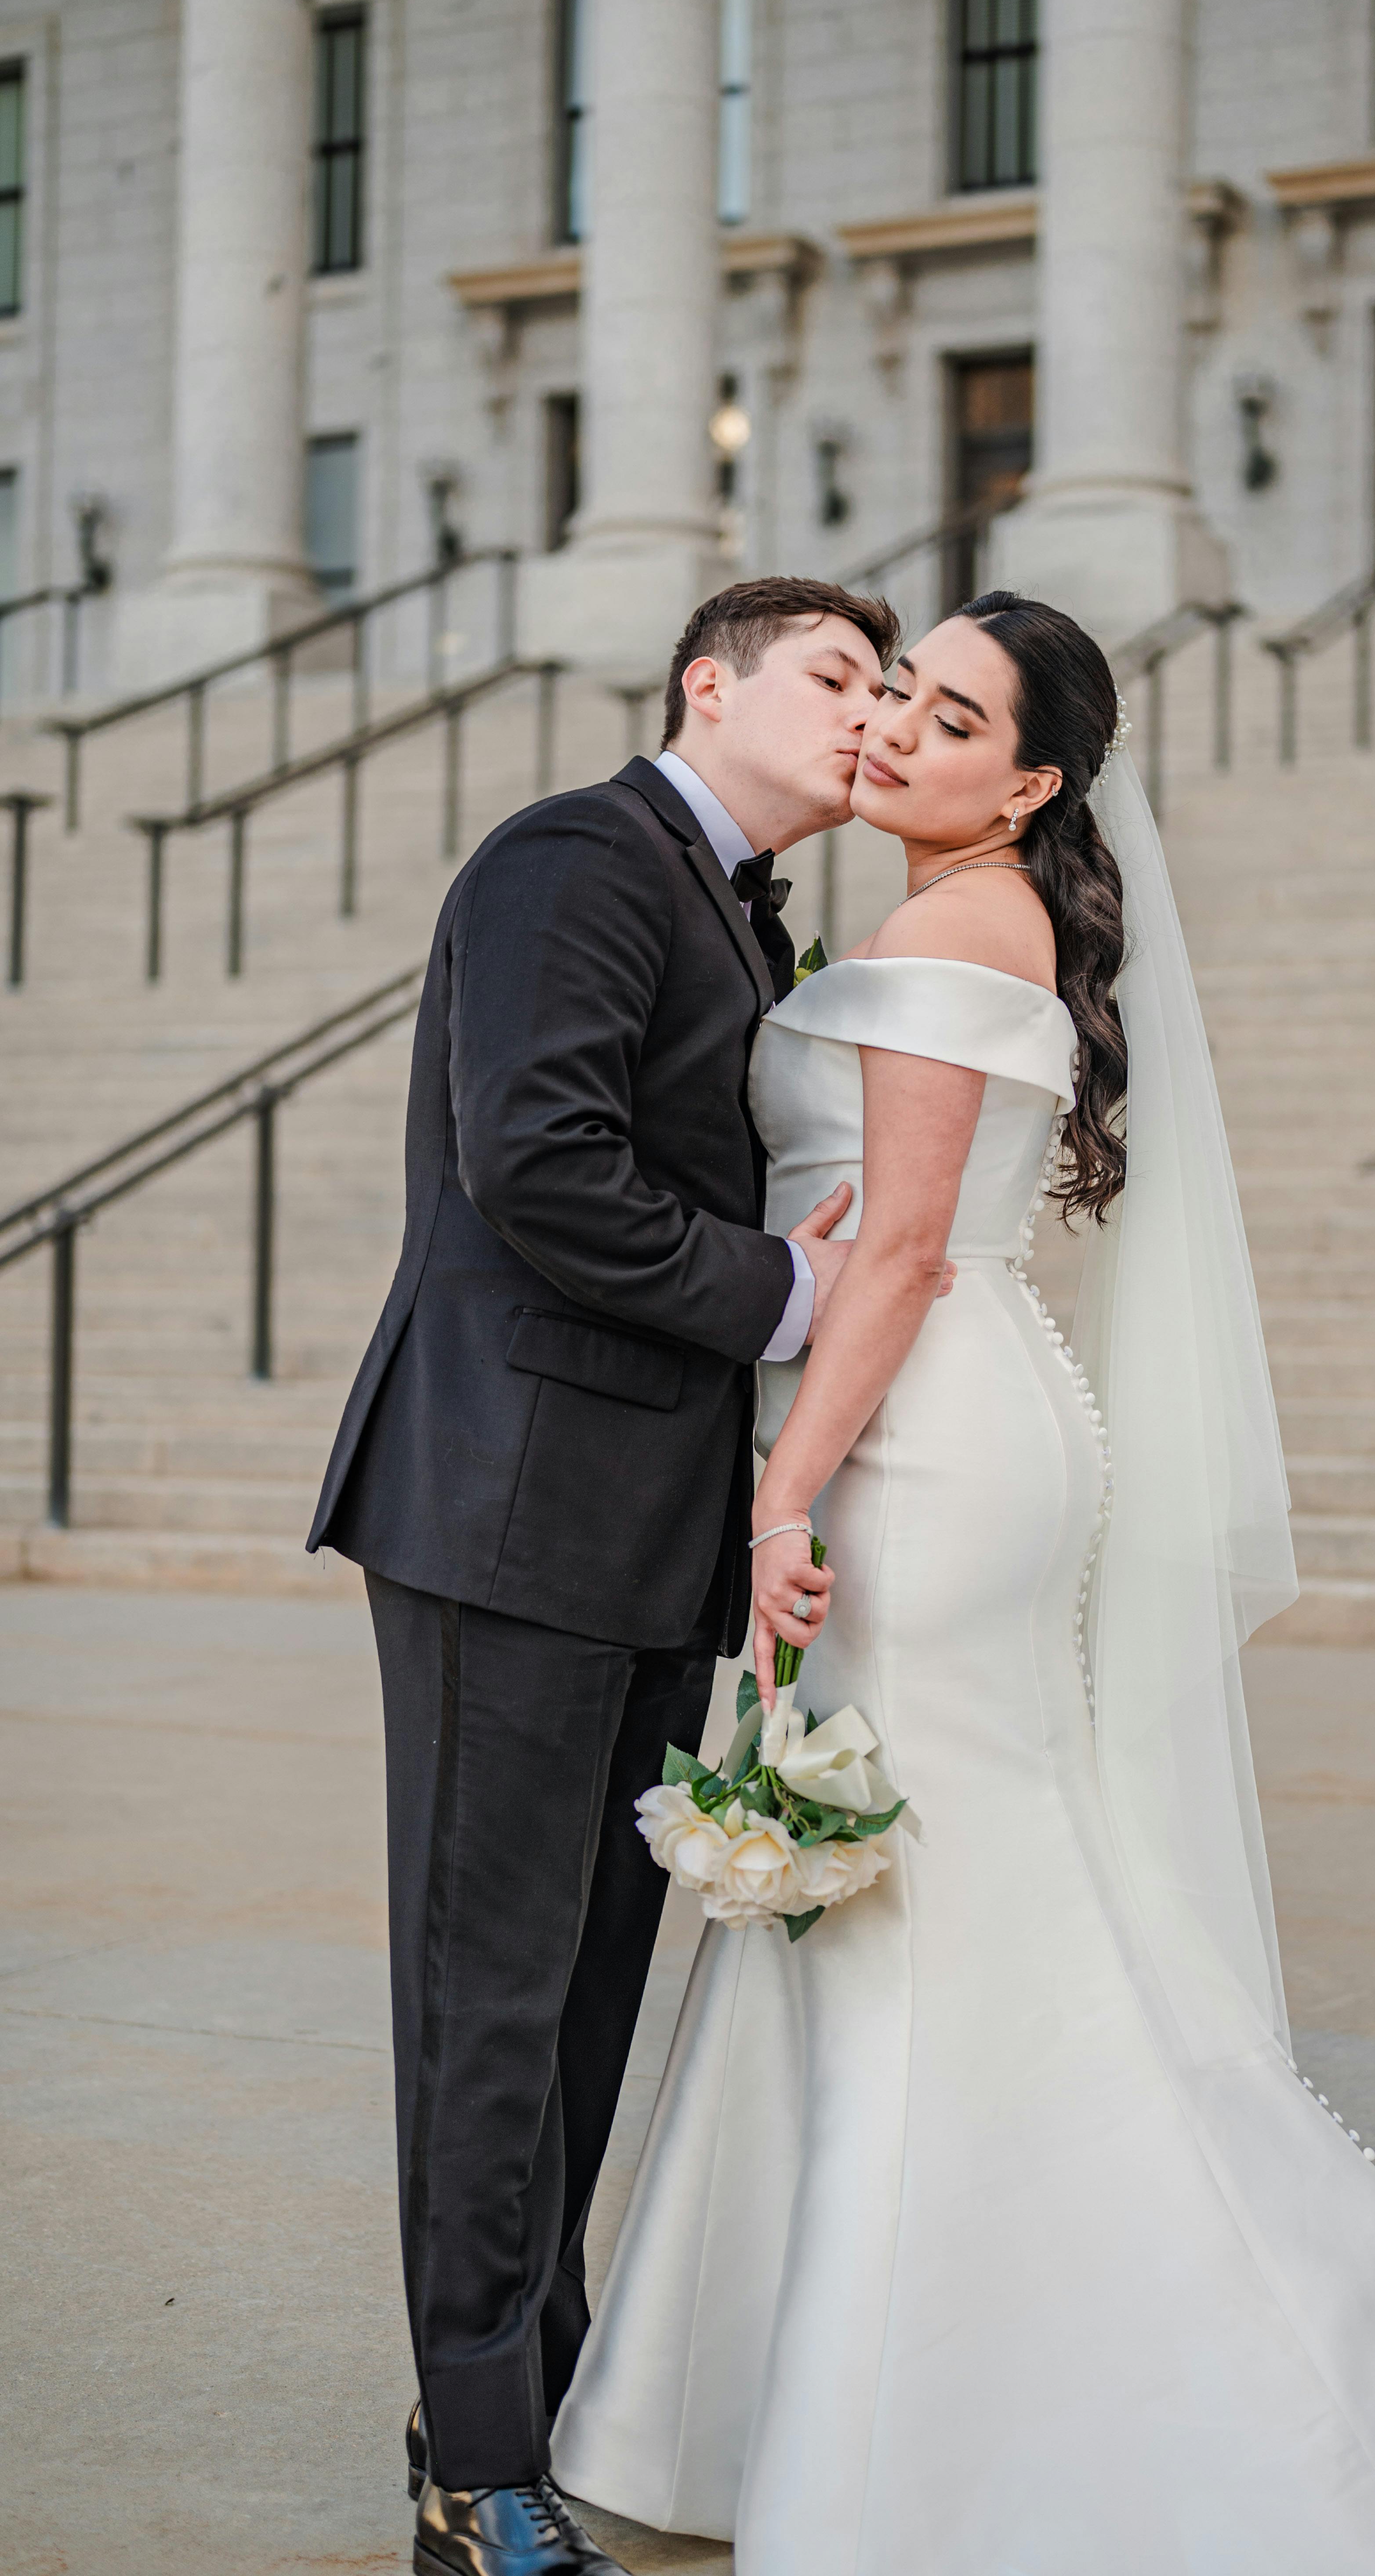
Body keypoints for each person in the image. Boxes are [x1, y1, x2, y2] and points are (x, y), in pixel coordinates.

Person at [551, 591, 1375, 2572]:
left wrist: (780, 1494)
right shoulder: (946, 911)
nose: (895, 735)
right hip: (936, 1424)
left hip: (917, 1447)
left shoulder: (954, 925)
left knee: (926, 1887)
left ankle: (978, 2387)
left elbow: (911, 1247)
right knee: (930, 1877)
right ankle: (838, 2364)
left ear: (1028, 780)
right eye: (893, 697)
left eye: (948, 720)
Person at [307, 577, 908, 2576]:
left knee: (578, 2012)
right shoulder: (577, 855)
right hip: (503, 1506)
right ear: (705, 683)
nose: (868, 715)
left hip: (643, 1529)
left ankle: (529, 2398)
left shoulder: (746, 908)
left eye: (890, 687)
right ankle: (471, 2462)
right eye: (835, 675)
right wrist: (789, 1287)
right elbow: (539, 1161)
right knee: (488, 2003)